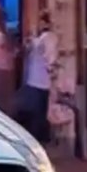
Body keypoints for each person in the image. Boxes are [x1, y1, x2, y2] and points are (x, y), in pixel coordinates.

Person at [18, 12, 58, 142]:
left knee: (37, 113)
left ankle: (39, 139)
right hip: (37, 81)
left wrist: (52, 71)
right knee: (37, 112)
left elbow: (50, 58)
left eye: (42, 22)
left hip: (40, 81)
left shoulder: (47, 38)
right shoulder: (40, 39)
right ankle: (39, 138)